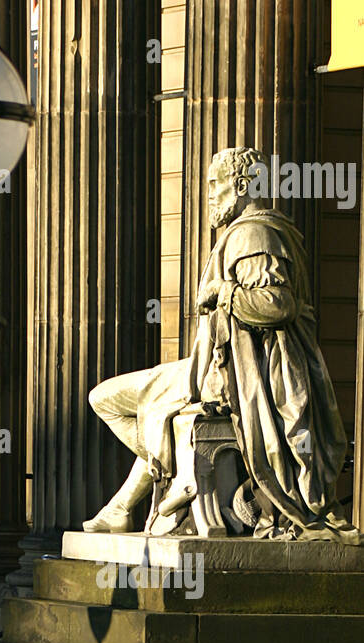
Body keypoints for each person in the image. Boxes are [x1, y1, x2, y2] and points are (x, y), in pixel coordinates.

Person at [83, 147, 357, 542]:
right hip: (216, 365)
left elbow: (276, 305)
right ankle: (145, 493)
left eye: (216, 183)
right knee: (113, 400)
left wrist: (222, 293)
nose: (208, 193)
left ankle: (159, 487)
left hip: (237, 375)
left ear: (243, 186)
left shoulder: (253, 233)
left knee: (104, 398)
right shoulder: (247, 231)